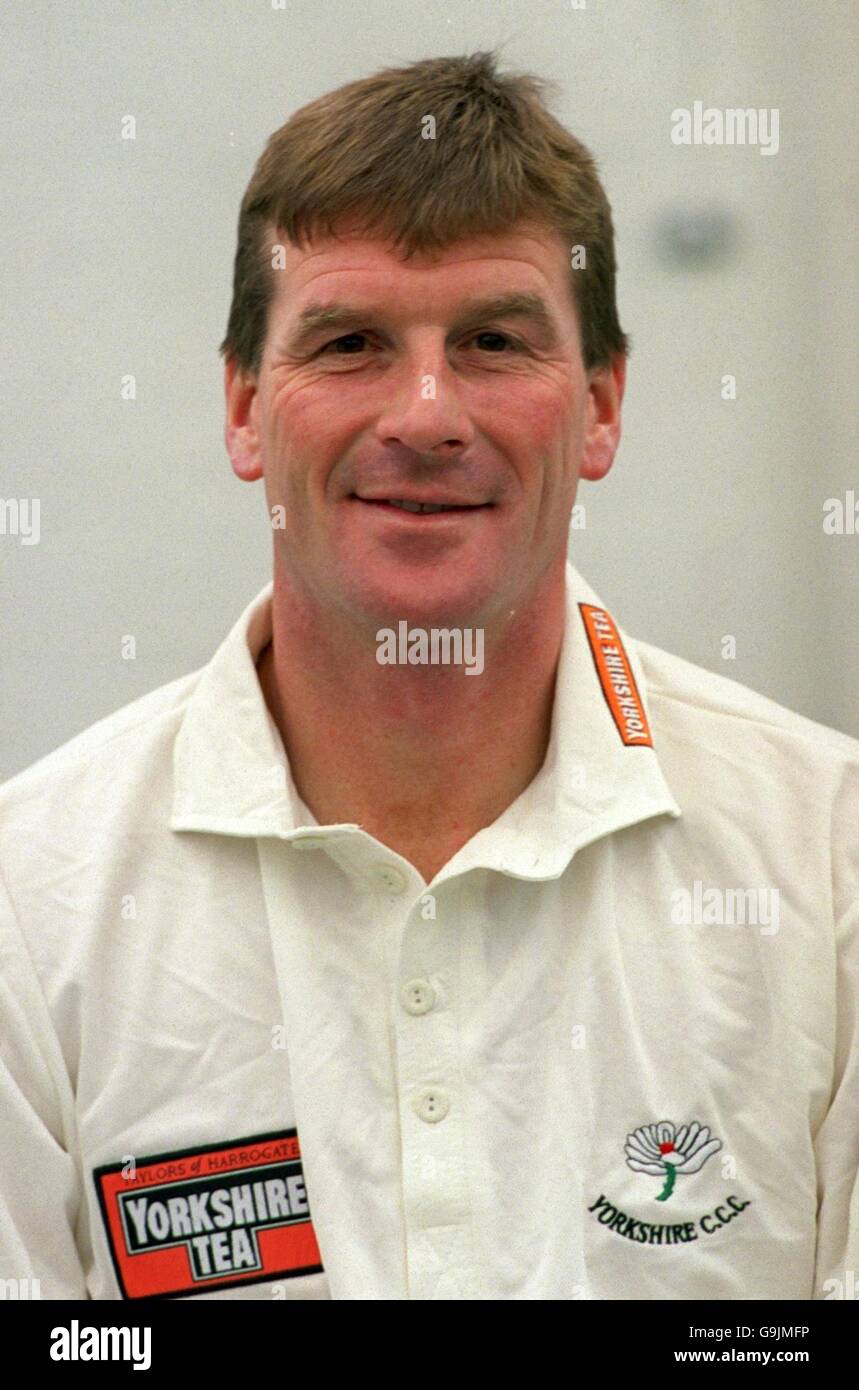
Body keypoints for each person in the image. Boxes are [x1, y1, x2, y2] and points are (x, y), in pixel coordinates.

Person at [1, 50, 856, 1303]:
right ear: (244, 407)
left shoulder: (827, 860)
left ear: (603, 403)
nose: (423, 413)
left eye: (493, 341)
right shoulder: (33, 905)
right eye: (348, 343)